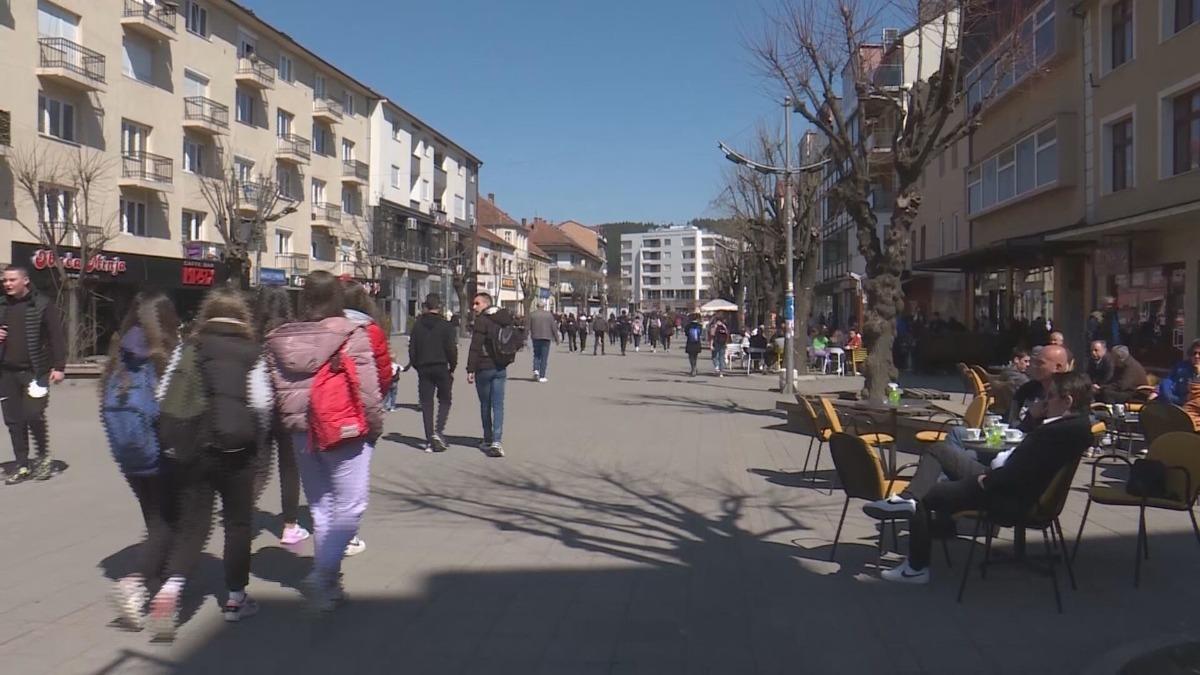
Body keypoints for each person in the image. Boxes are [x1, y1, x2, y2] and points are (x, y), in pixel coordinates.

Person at [870, 371, 1094, 584]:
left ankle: (916, 568)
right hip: (1002, 482)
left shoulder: (1053, 433)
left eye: (1051, 396)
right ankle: (906, 498)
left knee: (926, 494)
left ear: (1067, 401)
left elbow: (1023, 473)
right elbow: (1030, 466)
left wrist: (988, 481)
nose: (1046, 401)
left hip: (1004, 495)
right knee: (939, 449)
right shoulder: (1072, 428)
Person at [149, 287, 273, 637]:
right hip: (237, 450)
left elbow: (164, 396)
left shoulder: (189, 348)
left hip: (194, 448)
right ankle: (235, 599)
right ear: (242, 318)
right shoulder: (253, 352)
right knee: (237, 524)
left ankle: (170, 590)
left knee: (193, 524)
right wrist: (257, 437)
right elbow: (263, 404)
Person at [266, 271, 383, 612]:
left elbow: (276, 391)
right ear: (337, 299)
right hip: (344, 428)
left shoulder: (281, 339)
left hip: (301, 430)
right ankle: (323, 573)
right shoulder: (352, 334)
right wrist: (373, 426)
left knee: (321, 506)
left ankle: (329, 588)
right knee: (351, 505)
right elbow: (367, 390)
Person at [100, 291, 180, 630]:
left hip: (127, 452)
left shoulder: (119, 353)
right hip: (158, 449)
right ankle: (135, 583)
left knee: (153, 516)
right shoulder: (162, 355)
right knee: (169, 520)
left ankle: (157, 576)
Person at [253, 287, 310, 547]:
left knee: (258, 465)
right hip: (289, 408)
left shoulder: (253, 335)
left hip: (260, 407)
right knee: (290, 467)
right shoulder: (294, 335)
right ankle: (289, 526)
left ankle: (242, 515)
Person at [0, 266, 66, 484]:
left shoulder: (42, 304)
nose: (7, 284)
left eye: (12, 280)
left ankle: (43, 458)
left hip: (35, 372)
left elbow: (57, 337)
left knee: (32, 415)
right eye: (5, 280)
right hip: (6, 374)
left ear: (25, 280)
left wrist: (59, 367)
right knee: (13, 421)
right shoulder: (2, 305)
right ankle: (21, 465)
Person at [408, 293, 457, 452]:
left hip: (424, 368)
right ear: (439, 306)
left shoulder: (417, 325)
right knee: (445, 399)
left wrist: (417, 365)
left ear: (425, 306)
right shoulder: (445, 325)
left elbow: (412, 349)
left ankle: (430, 439)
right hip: (441, 366)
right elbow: (451, 348)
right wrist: (452, 366)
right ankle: (439, 430)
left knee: (427, 404)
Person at [466, 292, 513, 457]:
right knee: (498, 405)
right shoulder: (504, 318)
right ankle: (497, 441)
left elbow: (475, 346)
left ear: (486, 304)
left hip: (484, 367)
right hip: (501, 367)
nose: (474, 307)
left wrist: (470, 369)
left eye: (477, 303)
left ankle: (487, 439)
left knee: (485, 404)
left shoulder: (482, 321)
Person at [1159, 339, 1200, 408]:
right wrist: (1156, 391)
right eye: (1194, 353)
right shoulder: (1181, 367)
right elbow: (1167, 383)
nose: (1196, 356)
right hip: (1177, 405)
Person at [527, 300, 557, 382]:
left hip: (535, 337)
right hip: (546, 338)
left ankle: (536, 369)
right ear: (543, 306)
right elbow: (553, 327)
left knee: (536, 354)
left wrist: (525, 338)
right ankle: (542, 376)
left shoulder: (532, 315)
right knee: (544, 357)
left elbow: (528, 327)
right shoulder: (549, 315)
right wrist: (557, 338)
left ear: (537, 306)